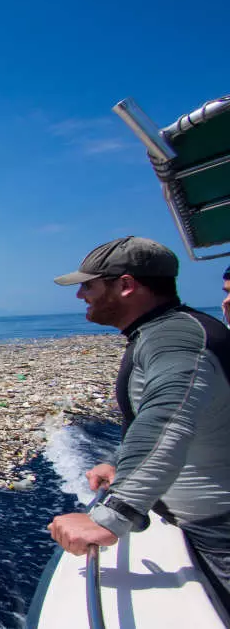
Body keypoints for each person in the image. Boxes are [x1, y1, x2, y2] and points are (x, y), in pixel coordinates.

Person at [47, 236, 230, 612]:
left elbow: (168, 417)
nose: (81, 295)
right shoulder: (167, 331)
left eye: (89, 285)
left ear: (126, 285)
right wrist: (122, 463)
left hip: (219, 534)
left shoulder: (175, 339)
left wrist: (113, 515)